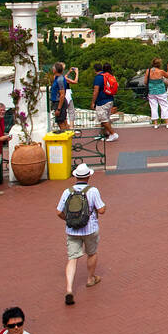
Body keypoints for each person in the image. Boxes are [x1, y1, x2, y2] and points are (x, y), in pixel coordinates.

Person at [57, 163, 105, 305]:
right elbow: (101, 210)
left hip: (72, 230)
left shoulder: (67, 191)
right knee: (92, 253)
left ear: (76, 176)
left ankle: (69, 288)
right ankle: (90, 279)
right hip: (90, 228)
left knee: (72, 258)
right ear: (89, 176)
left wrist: (68, 220)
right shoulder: (93, 191)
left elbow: (59, 211)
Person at [89, 61, 118, 142]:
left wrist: (93, 102)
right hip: (110, 100)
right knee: (105, 118)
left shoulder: (98, 77)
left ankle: (113, 134)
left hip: (102, 101)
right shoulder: (109, 75)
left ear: (95, 70)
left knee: (103, 119)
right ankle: (103, 134)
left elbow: (96, 91)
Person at [145, 58, 168, 129]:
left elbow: (145, 82)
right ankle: (167, 123)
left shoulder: (148, 71)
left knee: (153, 107)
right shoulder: (161, 71)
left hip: (151, 91)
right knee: (164, 106)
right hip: (161, 91)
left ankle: (155, 124)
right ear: (159, 64)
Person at [50, 62, 79, 132]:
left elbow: (62, 94)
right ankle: (68, 135)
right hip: (57, 101)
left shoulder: (60, 79)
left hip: (59, 102)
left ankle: (64, 136)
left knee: (61, 122)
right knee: (64, 120)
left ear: (55, 70)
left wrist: (59, 109)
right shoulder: (58, 78)